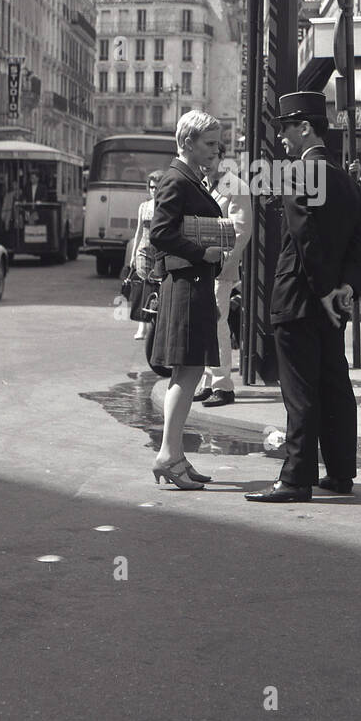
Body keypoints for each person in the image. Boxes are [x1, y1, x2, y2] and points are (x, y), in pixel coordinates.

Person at [246, 91, 361, 503]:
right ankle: (340, 472)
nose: (280, 138)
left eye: (284, 128)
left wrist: (322, 292)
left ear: (304, 128)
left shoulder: (297, 174)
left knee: (300, 392)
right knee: (335, 384)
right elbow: (358, 245)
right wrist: (345, 288)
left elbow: (305, 239)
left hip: (300, 299)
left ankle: (296, 479)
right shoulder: (347, 181)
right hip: (333, 304)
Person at [147, 112, 227, 490]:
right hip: (187, 283)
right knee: (189, 370)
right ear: (188, 143)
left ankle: (174, 454)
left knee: (188, 371)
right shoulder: (176, 179)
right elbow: (160, 233)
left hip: (190, 283)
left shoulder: (187, 177)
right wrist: (202, 253)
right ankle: (167, 453)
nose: (216, 149)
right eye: (209, 143)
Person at [195, 159, 253, 407]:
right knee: (205, 324)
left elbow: (240, 232)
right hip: (201, 265)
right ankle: (208, 381)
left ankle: (223, 385)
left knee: (218, 324)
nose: (205, 163)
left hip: (220, 268)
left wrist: (221, 260)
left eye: (211, 156)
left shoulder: (235, 187)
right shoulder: (202, 185)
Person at [123, 171, 163, 343]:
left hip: (160, 251)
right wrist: (132, 255)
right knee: (142, 285)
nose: (154, 190)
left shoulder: (166, 206)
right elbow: (139, 231)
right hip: (143, 250)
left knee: (156, 286)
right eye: (152, 187)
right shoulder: (143, 206)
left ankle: (154, 320)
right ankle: (142, 324)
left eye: (157, 187)